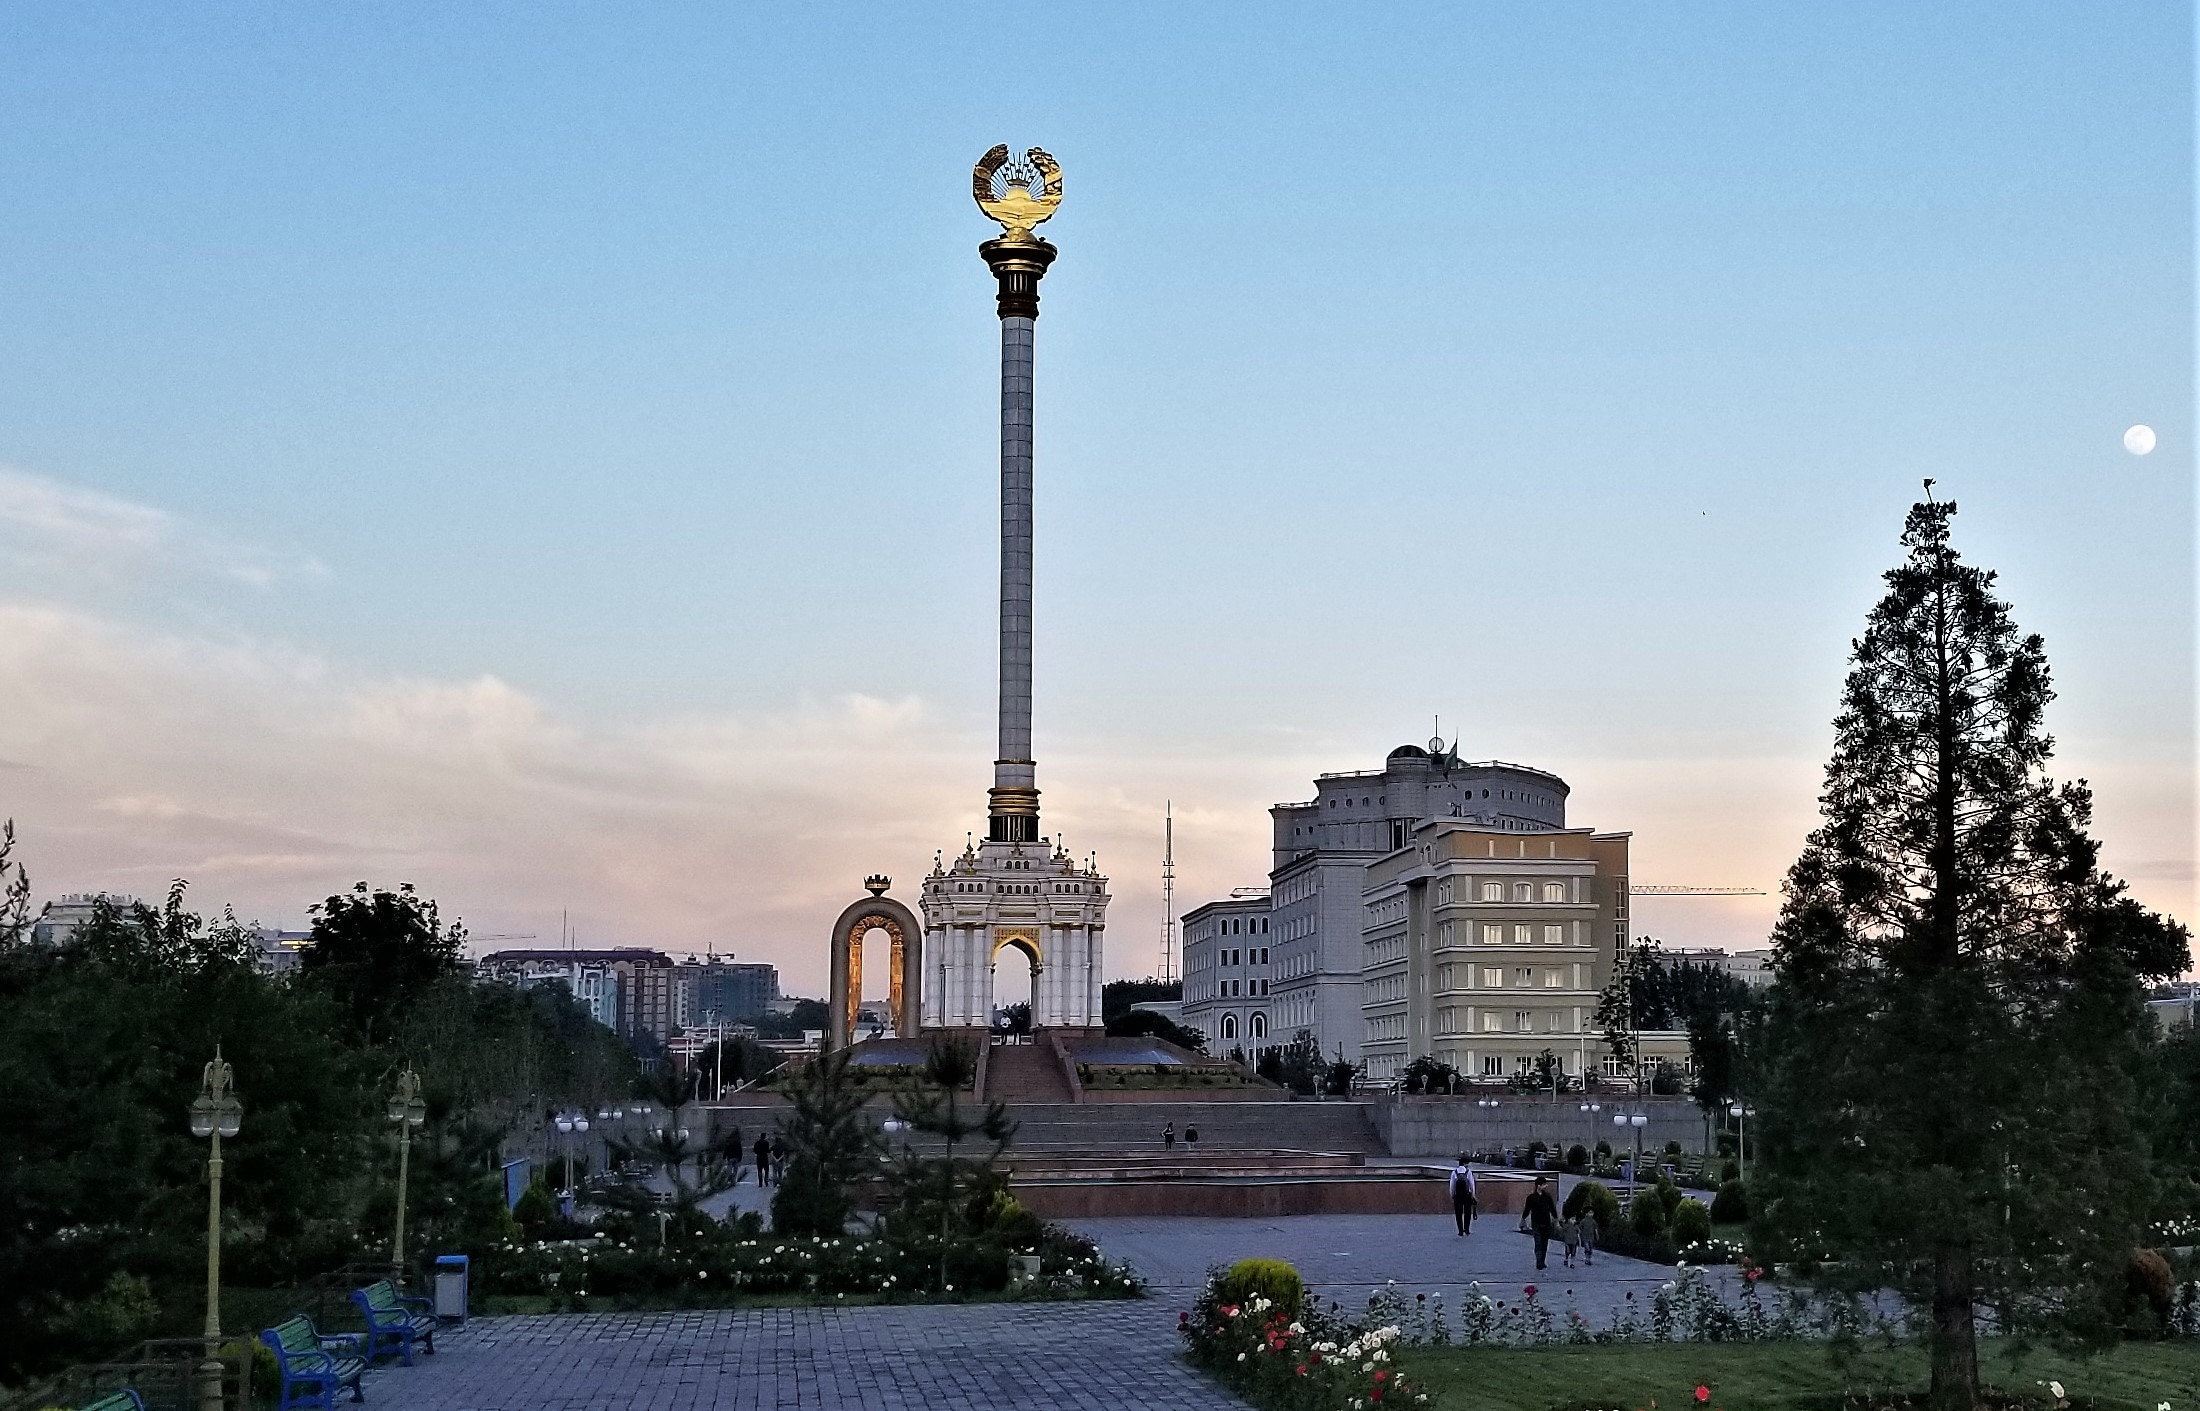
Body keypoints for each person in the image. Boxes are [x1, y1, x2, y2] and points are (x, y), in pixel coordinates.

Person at [1522, 1175, 1559, 1271]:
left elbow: (1552, 1209)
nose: (1546, 1186)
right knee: (1538, 1243)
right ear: (1538, 1185)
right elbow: (1527, 1209)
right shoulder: (1531, 1198)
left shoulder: (1547, 1197)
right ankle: (1539, 1262)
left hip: (1546, 1223)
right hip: (1536, 1223)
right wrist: (1523, 1219)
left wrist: (1556, 1220)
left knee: (1544, 1244)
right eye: (1544, 1184)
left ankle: (1542, 1261)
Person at [1447, 1153, 1478, 1236]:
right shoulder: (1468, 1172)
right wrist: (1473, 1195)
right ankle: (1467, 1229)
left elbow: (1452, 1185)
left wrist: (1452, 1195)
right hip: (1467, 1195)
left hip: (1457, 1196)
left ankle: (1460, 1230)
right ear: (1465, 1164)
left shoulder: (1454, 1172)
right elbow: (1472, 1184)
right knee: (1467, 1212)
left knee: (1458, 1213)